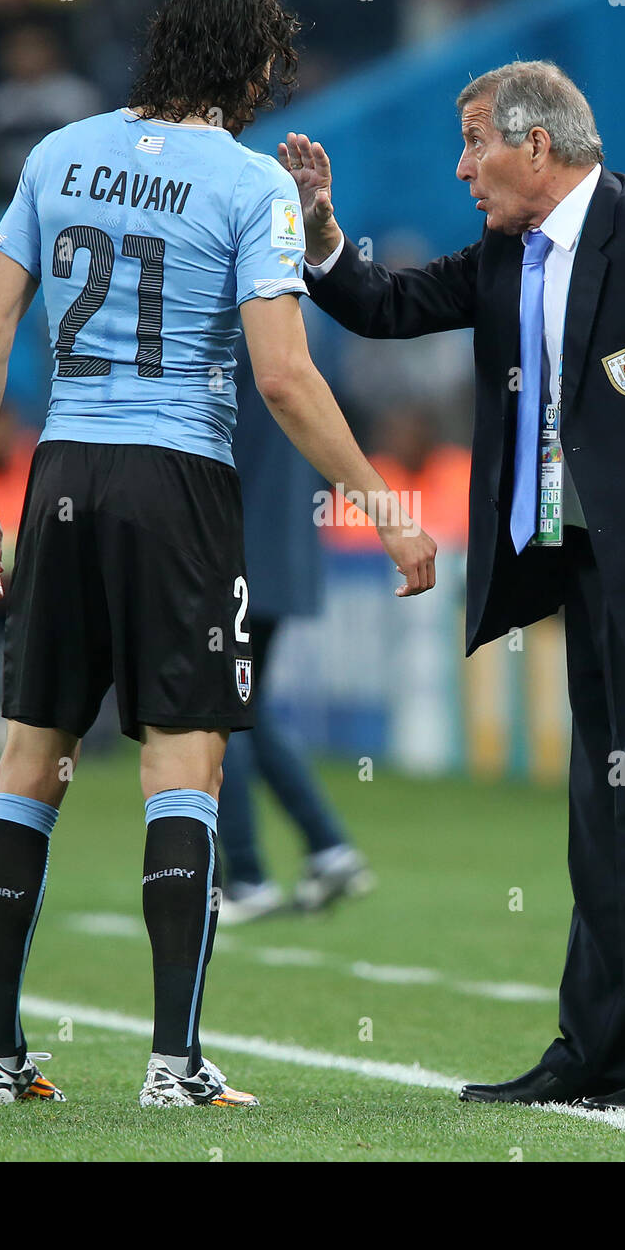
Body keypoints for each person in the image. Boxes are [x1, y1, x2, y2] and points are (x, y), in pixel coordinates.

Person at [0, 0, 435, 1111]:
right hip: (178, 482)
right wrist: (380, 500)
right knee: (186, 761)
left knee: (34, 759)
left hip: (63, 472)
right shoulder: (248, 180)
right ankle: (174, 1063)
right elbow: (281, 377)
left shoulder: (56, 153)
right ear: (255, 65)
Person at [287, 59, 625, 1112]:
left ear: (536, 144)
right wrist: (320, 232)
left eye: (475, 142)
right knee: (601, 827)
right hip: (588, 577)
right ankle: (597, 1049)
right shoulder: (505, 252)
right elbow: (384, 307)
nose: (462, 168)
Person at [216, 327, 375, 924]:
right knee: (243, 706)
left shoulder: (225, 331)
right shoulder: (307, 330)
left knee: (221, 710)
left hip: (233, 548)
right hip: (289, 548)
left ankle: (248, 875)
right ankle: (327, 846)